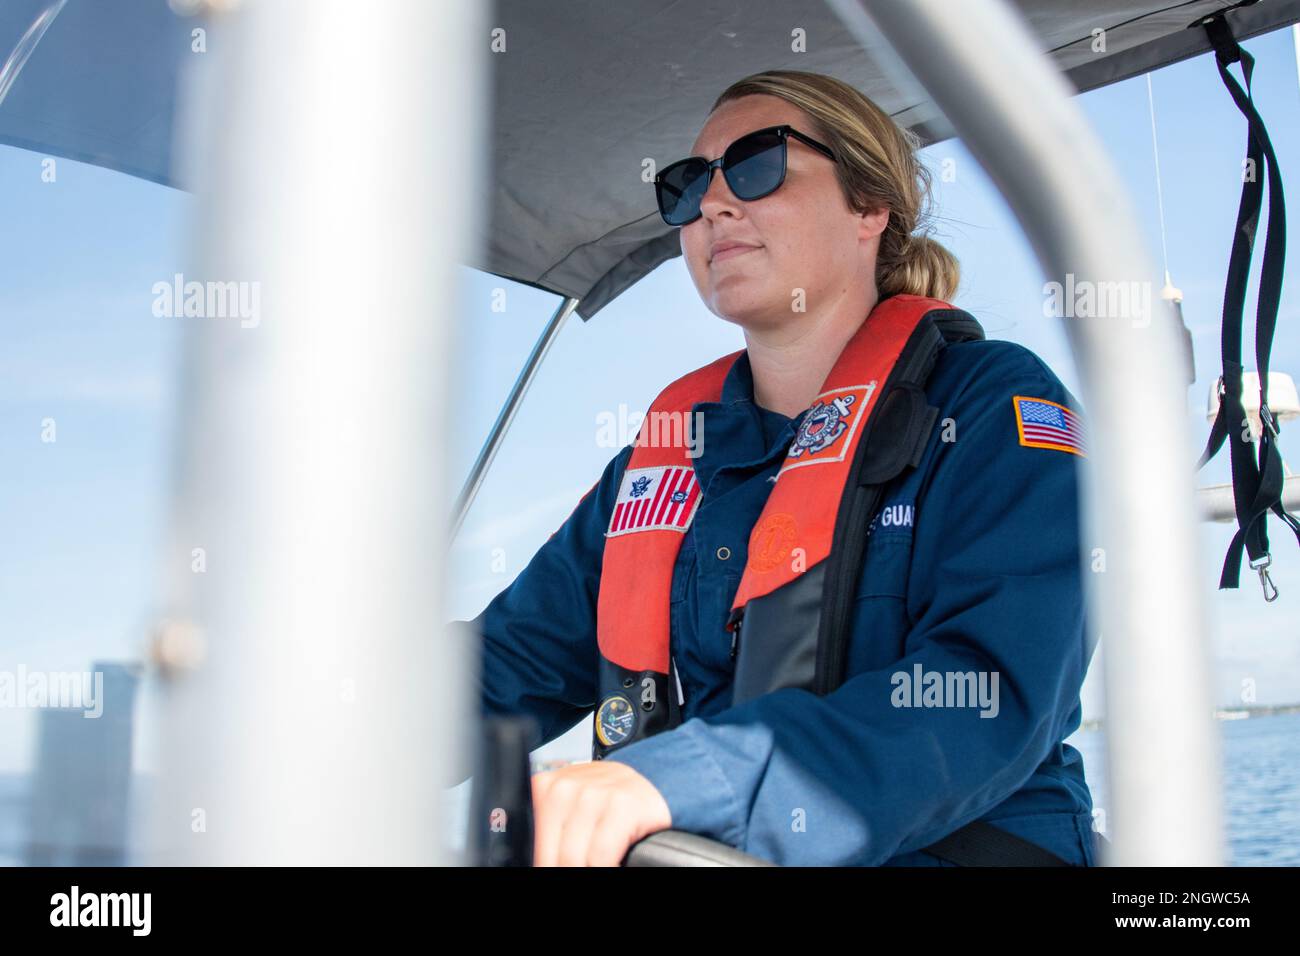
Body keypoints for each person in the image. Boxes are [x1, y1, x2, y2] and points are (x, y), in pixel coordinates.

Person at [464, 69, 1099, 867]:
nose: (714, 203)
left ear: (870, 207)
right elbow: (504, 664)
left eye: (759, 163)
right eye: (689, 186)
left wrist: (678, 783)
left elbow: (988, 691)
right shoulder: (663, 461)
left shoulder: (989, 407)